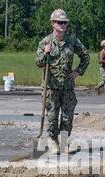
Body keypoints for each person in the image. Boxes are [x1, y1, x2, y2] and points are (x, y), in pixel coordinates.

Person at [35, 8, 88, 153]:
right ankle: (52, 141)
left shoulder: (72, 41)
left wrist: (78, 71)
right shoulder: (46, 42)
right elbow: (38, 63)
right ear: (53, 23)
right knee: (52, 116)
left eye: (64, 23)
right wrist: (45, 53)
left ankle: (65, 141)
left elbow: (85, 55)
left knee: (67, 116)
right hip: (51, 87)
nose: (63, 25)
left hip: (67, 87)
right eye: (59, 22)